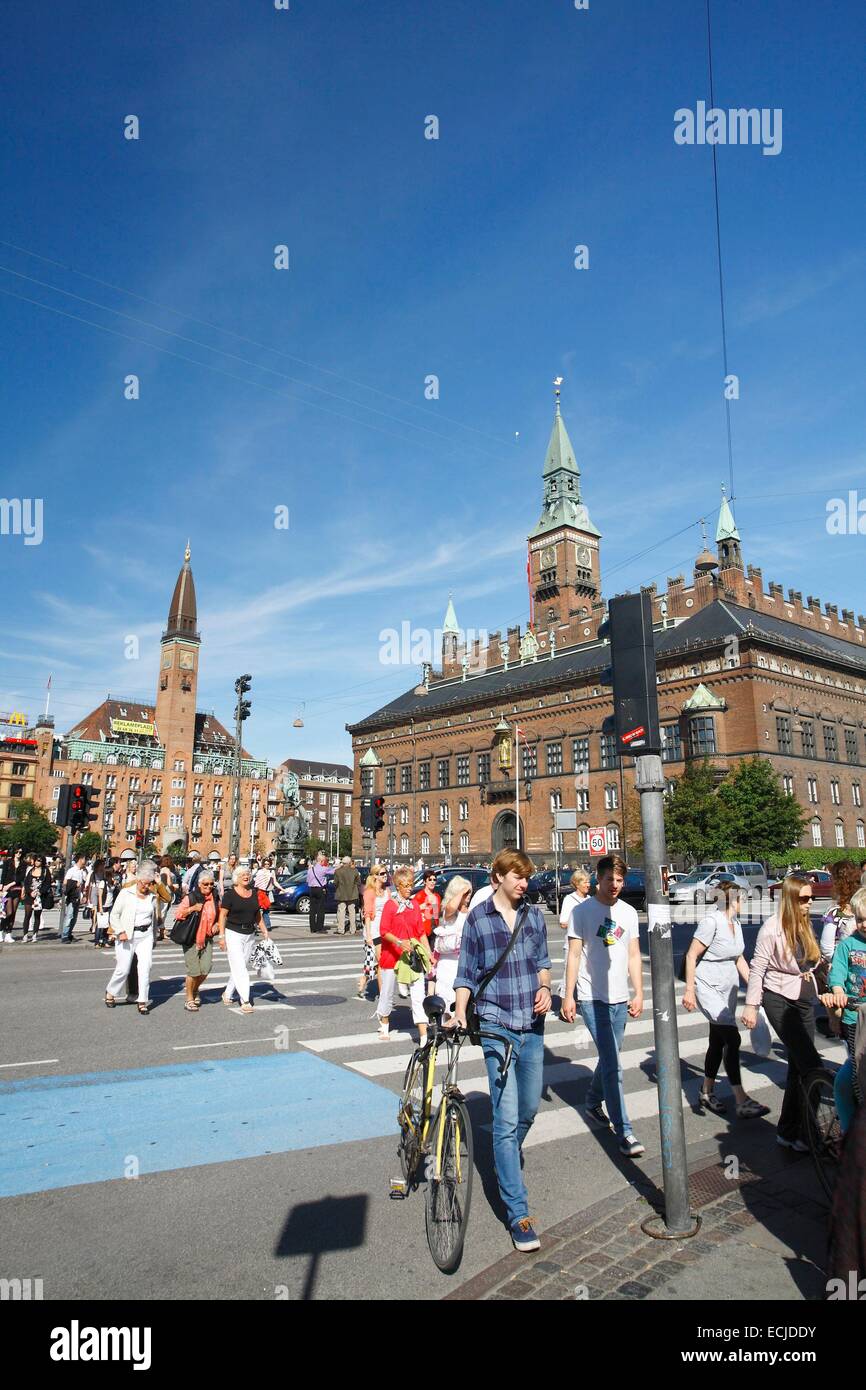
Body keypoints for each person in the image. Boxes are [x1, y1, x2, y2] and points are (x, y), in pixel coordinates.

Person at [452, 849, 552, 1252]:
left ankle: (502, 1150)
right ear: (497, 878)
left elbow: (542, 962)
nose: (524, 883)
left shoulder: (534, 917)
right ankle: (518, 1211)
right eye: (517, 876)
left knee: (528, 1110)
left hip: (532, 1025)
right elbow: (466, 971)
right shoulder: (478, 919)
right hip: (495, 1026)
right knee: (506, 1118)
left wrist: (545, 986)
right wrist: (460, 1011)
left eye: (526, 877)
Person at [561, 853, 646, 1158]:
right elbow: (573, 955)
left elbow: (634, 955)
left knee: (611, 1059)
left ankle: (593, 1100)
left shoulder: (628, 913)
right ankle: (625, 1131)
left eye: (620, 880)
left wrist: (639, 992)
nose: (615, 885)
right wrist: (568, 996)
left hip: (620, 997)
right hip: (591, 996)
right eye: (610, 879)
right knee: (613, 1063)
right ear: (599, 878)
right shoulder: (582, 912)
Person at [741, 874, 823, 1151]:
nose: (809, 903)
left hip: (802, 997)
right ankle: (808, 1132)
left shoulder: (805, 924)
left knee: (799, 1067)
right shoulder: (771, 928)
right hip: (777, 997)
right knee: (812, 1065)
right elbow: (758, 968)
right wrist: (752, 1006)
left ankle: (788, 1131)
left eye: (811, 898)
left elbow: (813, 960)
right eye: (803, 899)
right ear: (790, 899)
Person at [682, 876, 770, 1119]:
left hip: (727, 985)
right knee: (732, 1039)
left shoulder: (736, 923)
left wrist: (756, 986)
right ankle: (741, 1099)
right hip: (708, 985)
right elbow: (691, 955)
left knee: (717, 1041)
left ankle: (706, 1090)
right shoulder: (712, 921)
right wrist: (689, 989)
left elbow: (739, 958)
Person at [821, 885, 866, 1105]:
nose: (864, 924)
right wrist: (837, 992)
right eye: (859, 919)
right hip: (854, 1019)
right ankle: (851, 1133)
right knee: (858, 1081)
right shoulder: (848, 945)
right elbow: (837, 973)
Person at [376, 867, 427, 1041]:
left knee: (419, 995)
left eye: (411, 885)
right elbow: (384, 931)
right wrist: (399, 942)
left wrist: (428, 954)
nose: (409, 888)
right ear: (397, 886)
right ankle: (384, 1024)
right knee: (387, 992)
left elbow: (420, 932)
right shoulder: (391, 905)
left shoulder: (414, 906)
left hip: (411, 957)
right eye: (405, 885)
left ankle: (423, 1035)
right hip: (392, 955)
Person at [104, 862, 160, 1014]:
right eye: (145, 884)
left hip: (145, 935)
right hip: (127, 935)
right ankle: (111, 992)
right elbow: (114, 915)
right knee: (123, 968)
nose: (147, 887)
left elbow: (154, 919)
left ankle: (142, 1000)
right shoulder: (126, 893)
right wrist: (120, 931)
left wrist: (154, 937)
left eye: (150, 884)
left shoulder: (152, 896)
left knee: (145, 967)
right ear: (139, 880)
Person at [218, 865, 269, 1013]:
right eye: (242, 875)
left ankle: (227, 993)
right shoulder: (230, 895)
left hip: (250, 934)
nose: (246, 876)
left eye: (248, 874)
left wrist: (264, 930)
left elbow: (257, 915)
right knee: (240, 967)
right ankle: (245, 1000)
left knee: (240, 967)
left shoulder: (254, 893)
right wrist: (221, 937)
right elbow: (222, 915)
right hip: (233, 933)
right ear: (236, 878)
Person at [173, 870, 221, 1010]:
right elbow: (178, 914)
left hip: (207, 938)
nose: (209, 886)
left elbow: (220, 915)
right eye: (205, 884)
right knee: (194, 971)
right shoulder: (191, 897)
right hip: (191, 937)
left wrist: (217, 924)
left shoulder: (215, 897)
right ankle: (189, 998)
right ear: (199, 884)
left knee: (205, 969)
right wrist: (192, 908)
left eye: (211, 884)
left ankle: (194, 989)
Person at [429, 875, 472, 1013]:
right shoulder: (450, 912)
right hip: (447, 963)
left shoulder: (471, 911)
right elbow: (451, 908)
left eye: (470, 892)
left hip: (463, 961)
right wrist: (462, 891)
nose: (469, 896)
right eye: (466, 893)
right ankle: (446, 1030)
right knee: (447, 1001)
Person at [557, 868, 590, 1011]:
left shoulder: (590, 900)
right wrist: (581, 922)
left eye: (589, 881)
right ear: (577, 884)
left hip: (588, 945)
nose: (588, 884)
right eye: (585, 882)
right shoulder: (570, 899)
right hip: (572, 945)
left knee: (586, 974)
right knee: (569, 976)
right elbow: (563, 922)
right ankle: (565, 1006)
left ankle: (583, 1004)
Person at [356, 865, 389, 1000]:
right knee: (381, 962)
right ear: (375, 876)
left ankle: (364, 977)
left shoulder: (386, 891)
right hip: (374, 928)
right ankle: (383, 996)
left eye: (386, 873)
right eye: (381, 874)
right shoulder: (369, 892)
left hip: (386, 928)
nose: (385, 876)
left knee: (377, 961)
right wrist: (368, 934)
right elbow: (367, 915)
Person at [21, 855, 51, 941]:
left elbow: (47, 883)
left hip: (39, 896)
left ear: (42, 862)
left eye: (39, 861)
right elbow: (26, 883)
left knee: (37, 915)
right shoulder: (30, 870)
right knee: (27, 915)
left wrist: (40, 892)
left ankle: (35, 934)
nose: (37, 862)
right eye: (36, 860)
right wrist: (29, 892)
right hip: (29, 895)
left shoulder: (45, 871)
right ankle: (25, 935)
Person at [60, 853, 87, 941]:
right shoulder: (72, 870)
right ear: (80, 859)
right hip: (72, 896)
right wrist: (75, 884)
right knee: (69, 915)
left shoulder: (82, 871)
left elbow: (84, 884)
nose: (85, 861)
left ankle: (69, 933)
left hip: (78, 896)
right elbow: (65, 882)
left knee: (74, 917)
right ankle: (65, 935)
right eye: (84, 859)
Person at [306, 850, 334, 935]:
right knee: (320, 909)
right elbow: (334, 871)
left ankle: (312, 928)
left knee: (312, 910)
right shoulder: (323, 869)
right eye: (324, 861)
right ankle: (319, 927)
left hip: (311, 889)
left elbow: (307, 880)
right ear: (321, 861)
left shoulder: (310, 869)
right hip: (319, 889)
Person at [2, 847, 27, 941]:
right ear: (13, 852)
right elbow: (3, 875)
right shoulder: (7, 862)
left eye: (20, 852)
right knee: (8, 912)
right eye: (16, 852)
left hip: (16, 889)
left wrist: (10, 884)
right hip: (7, 891)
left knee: (14, 913)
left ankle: (9, 933)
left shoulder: (23, 864)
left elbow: (21, 877)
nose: (18, 853)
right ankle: (1, 930)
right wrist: (2, 886)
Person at [333, 856, 361, 936]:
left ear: (343, 863)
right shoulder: (355, 871)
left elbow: (335, 883)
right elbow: (358, 882)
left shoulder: (338, 871)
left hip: (341, 893)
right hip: (352, 894)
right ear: (349, 863)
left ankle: (341, 929)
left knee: (341, 911)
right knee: (352, 912)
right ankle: (353, 929)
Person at [412, 870, 441, 941]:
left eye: (434, 880)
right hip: (422, 932)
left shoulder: (437, 896)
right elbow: (413, 913)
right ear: (425, 882)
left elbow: (436, 915)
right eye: (430, 879)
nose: (432, 882)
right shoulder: (419, 896)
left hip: (434, 931)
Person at [253, 857, 278, 930]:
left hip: (266, 892)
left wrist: (282, 889)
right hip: (259, 891)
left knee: (265, 909)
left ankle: (267, 925)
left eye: (268, 864)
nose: (267, 865)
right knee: (257, 909)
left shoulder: (271, 872)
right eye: (265, 864)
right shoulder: (260, 871)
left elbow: (275, 882)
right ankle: (257, 925)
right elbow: (255, 881)